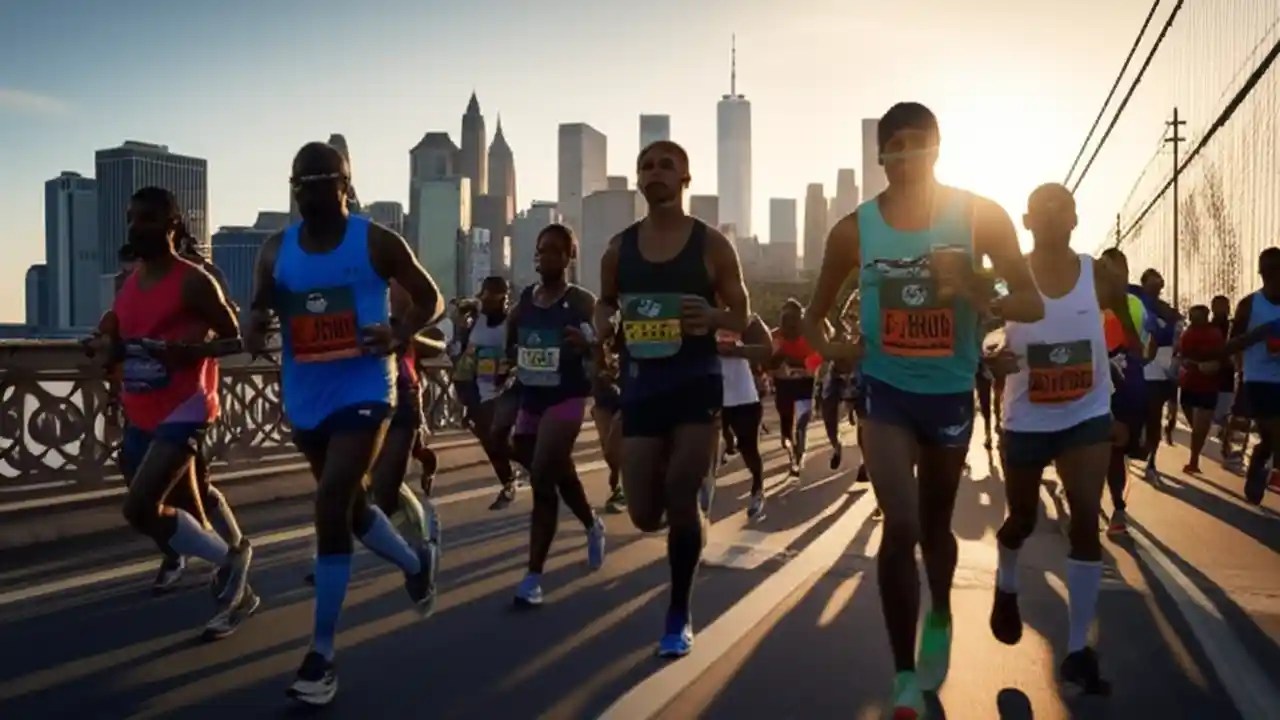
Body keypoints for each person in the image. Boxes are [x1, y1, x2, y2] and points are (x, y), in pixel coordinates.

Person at [803, 102, 1044, 718]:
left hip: (950, 392)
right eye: (896, 146)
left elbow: (1030, 301)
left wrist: (976, 288)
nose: (907, 156)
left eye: (919, 144)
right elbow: (815, 314)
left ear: (938, 149)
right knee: (901, 522)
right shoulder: (853, 231)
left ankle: (939, 611)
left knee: (936, 526)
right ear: (880, 155)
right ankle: (904, 675)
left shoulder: (979, 216)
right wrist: (835, 347)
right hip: (885, 390)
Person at [247, 142, 442, 705]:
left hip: (365, 389)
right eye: (299, 183)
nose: (307, 192)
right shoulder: (275, 250)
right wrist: (255, 324)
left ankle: (321, 656)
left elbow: (430, 297)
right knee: (352, 508)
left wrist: (400, 330)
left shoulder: (375, 241)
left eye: (319, 181)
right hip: (306, 395)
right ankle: (415, 560)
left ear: (344, 185)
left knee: (330, 503)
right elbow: (260, 305)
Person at [596, 139, 749, 658]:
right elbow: (604, 305)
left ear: (686, 179)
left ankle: (679, 612)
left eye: (666, 165)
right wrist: (603, 322)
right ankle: (689, 514)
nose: (654, 172)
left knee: (681, 496)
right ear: (638, 181)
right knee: (643, 514)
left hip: (695, 381)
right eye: (646, 166)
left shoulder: (710, 245)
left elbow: (740, 312)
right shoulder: (619, 249)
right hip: (642, 386)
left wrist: (713, 318)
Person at [986, 183, 1140, 697]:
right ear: (1027, 223)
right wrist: (991, 361)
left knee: (1083, 517)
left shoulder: (1100, 275)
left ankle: (1077, 651)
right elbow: (978, 336)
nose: (1053, 220)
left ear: (1076, 219)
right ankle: (1007, 582)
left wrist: (1131, 383)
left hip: (1085, 414)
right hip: (1027, 417)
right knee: (1022, 519)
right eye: (1042, 214)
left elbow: (1133, 336)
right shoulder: (1011, 278)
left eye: (1063, 211)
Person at [96, 186, 255, 637]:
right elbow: (120, 330)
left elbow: (235, 339)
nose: (135, 227)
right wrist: (105, 342)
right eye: (131, 218)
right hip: (141, 406)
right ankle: (234, 590)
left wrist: (193, 352)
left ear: (172, 225)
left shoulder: (193, 280)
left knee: (140, 507)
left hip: (187, 407)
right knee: (187, 506)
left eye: (146, 218)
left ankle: (233, 560)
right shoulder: (131, 284)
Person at [506, 224, 607, 605]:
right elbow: (511, 338)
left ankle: (532, 577)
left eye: (554, 251)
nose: (546, 257)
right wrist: (504, 361)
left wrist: (589, 344)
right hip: (531, 397)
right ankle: (591, 523)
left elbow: (606, 346)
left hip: (566, 397)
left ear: (569, 258)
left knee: (544, 479)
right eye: (541, 249)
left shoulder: (582, 302)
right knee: (551, 466)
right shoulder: (526, 301)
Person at [1097, 248, 1154, 534]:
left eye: (1118, 274)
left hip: (1126, 389)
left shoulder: (1133, 304)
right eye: (1106, 273)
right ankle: (1085, 499)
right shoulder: (1087, 303)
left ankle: (1118, 508)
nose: (1113, 280)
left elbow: (1139, 347)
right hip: (1091, 388)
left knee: (1116, 451)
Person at [1225, 247, 1280, 503]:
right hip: (1259, 380)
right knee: (1274, 431)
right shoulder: (1250, 304)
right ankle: (1263, 463)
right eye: (1270, 272)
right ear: (1262, 274)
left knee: (1271, 436)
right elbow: (1232, 343)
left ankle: (1260, 460)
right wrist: (1258, 336)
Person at [465, 276, 522, 510]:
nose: (484, 301)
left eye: (490, 296)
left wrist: (508, 368)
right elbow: (468, 355)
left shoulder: (511, 323)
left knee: (497, 437)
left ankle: (536, 468)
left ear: (502, 298)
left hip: (506, 388)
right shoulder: (476, 322)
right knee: (489, 441)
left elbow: (519, 352)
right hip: (480, 387)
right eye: (483, 296)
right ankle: (509, 481)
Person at [717, 313, 773, 517]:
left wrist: (737, 350)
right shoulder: (698, 312)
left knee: (749, 448)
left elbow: (768, 350)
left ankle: (757, 489)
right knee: (702, 448)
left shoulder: (748, 319)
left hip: (744, 396)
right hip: (710, 395)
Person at [1135, 268, 1183, 481]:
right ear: (1144, 283)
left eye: (1160, 281)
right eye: (1152, 281)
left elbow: (1176, 338)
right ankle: (1137, 449)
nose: (1158, 283)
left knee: (1154, 415)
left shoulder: (1169, 311)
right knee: (1138, 415)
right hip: (1136, 364)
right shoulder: (1134, 298)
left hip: (1160, 367)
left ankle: (1151, 460)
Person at [770, 300, 823, 476]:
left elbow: (820, 355)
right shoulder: (775, 336)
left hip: (802, 385)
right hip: (786, 385)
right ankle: (794, 454)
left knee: (799, 425)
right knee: (791, 426)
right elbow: (768, 361)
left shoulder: (810, 335)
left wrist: (803, 367)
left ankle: (797, 458)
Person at [1176, 305, 1226, 473]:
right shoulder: (1187, 333)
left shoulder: (1214, 334)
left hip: (1208, 387)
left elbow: (1218, 359)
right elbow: (1183, 356)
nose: (1193, 319)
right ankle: (1198, 448)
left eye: (1196, 317)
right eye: (1191, 316)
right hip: (1189, 384)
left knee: (1199, 428)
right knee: (1196, 426)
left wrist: (1203, 365)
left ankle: (1194, 460)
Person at [592, 339, 626, 513]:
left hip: (628, 397)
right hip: (602, 400)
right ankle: (617, 487)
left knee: (617, 446)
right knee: (609, 451)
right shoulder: (591, 325)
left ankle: (624, 488)